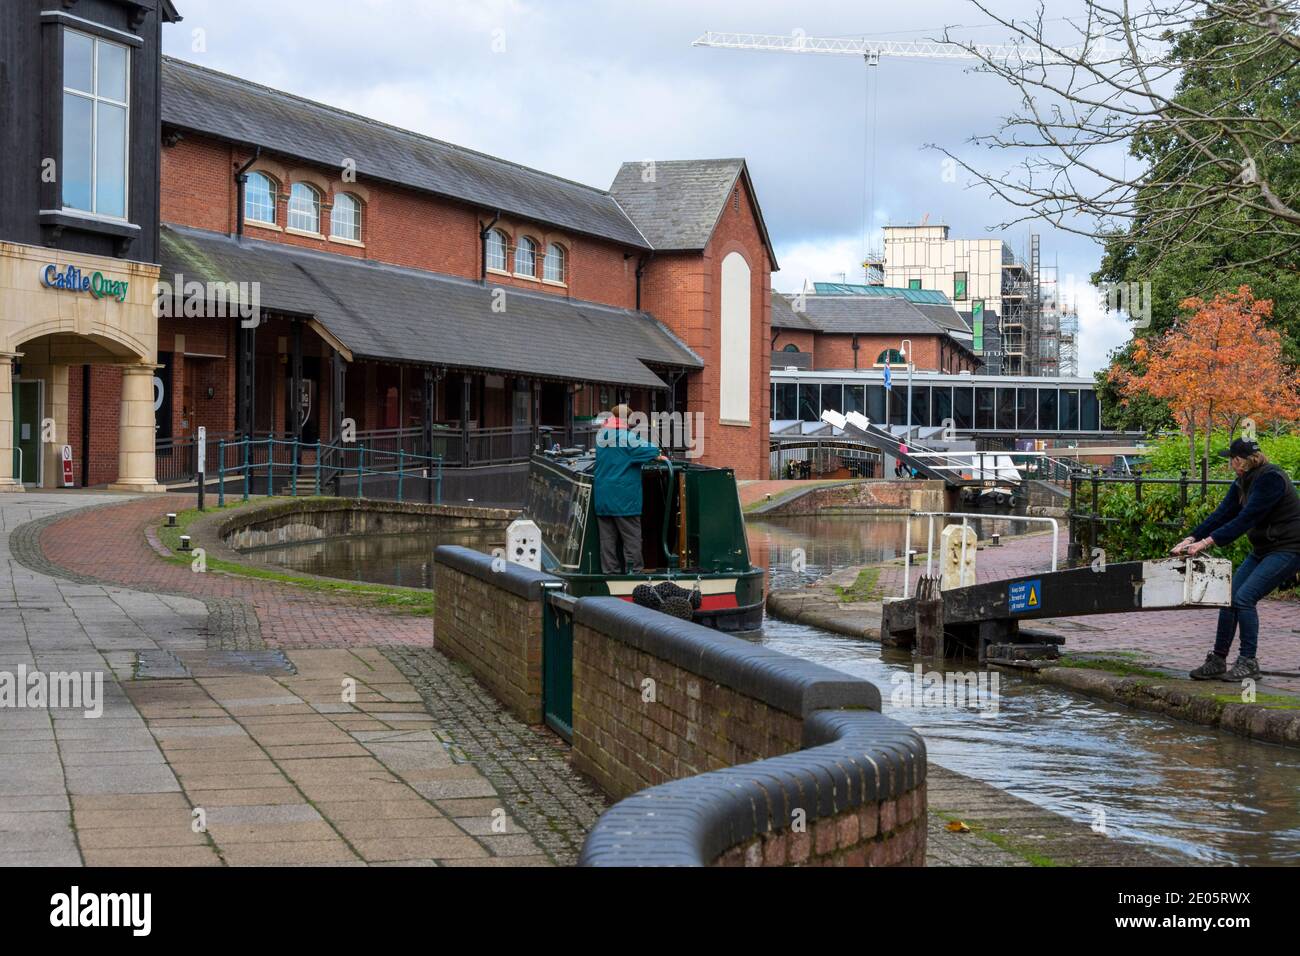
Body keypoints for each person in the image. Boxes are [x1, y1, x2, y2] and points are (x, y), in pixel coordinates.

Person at [1174, 438, 1300, 681]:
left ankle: (1248, 661)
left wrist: (1206, 542)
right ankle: (1218, 660)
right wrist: (1191, 537)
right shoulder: (1243, 481)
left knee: (1244, 598)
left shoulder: (1271, 479)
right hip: (1264, 548)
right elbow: (1223, 513)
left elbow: (1246, 519)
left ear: (1240, 460)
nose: (1230, 464)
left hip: (1289, 548)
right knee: (1228, 596)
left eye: (1231, 459)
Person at [593, 404, 666, 574]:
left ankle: (610, 574)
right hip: (624, 499)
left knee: (607, 541)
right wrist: (657, 454)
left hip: (603, 497)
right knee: (632, 539)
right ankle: (634, 574)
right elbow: (650, 449)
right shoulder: (626, 437)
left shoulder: (602, 436)